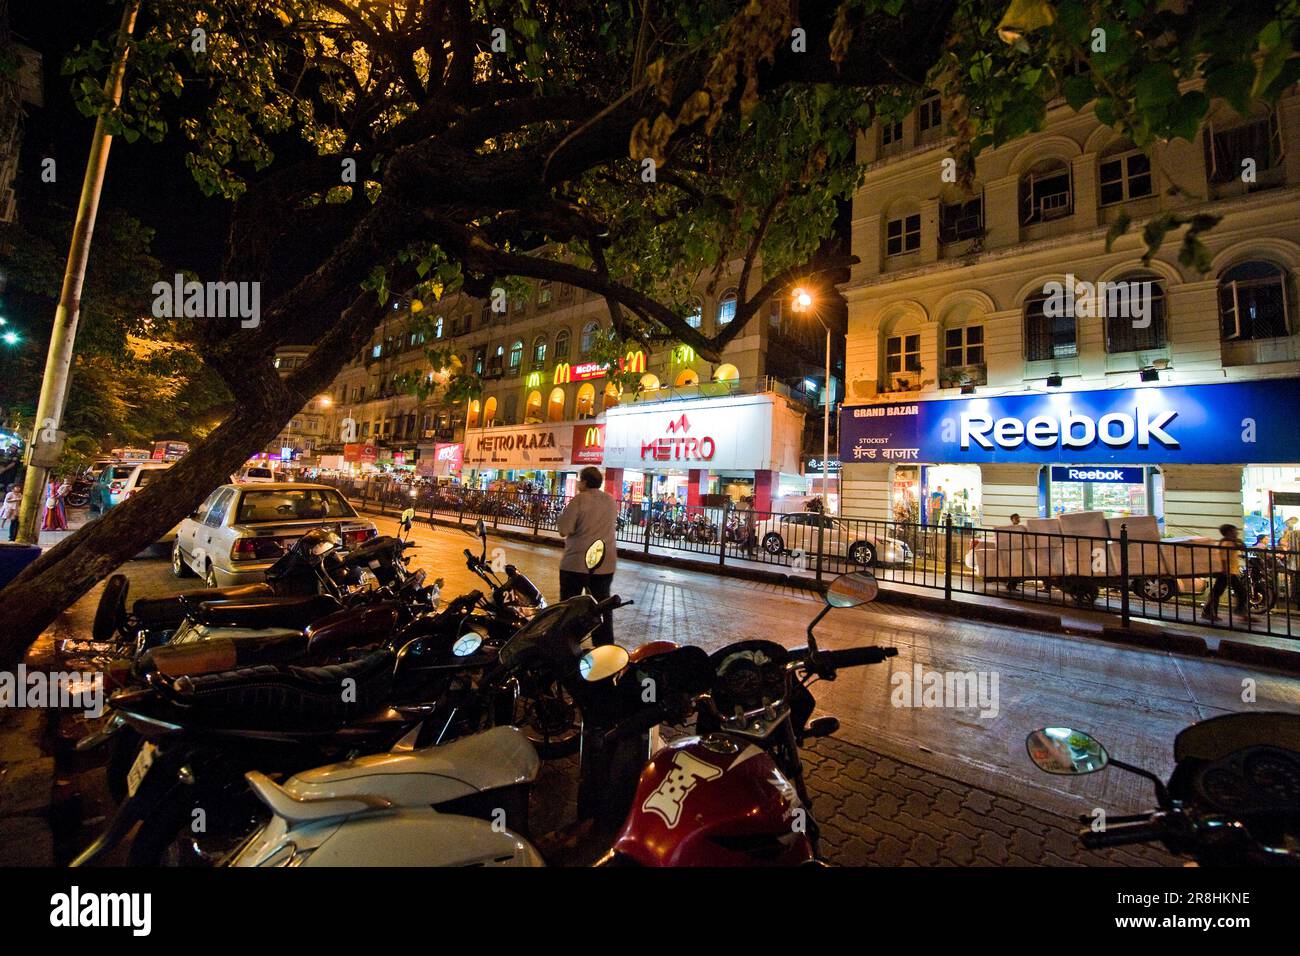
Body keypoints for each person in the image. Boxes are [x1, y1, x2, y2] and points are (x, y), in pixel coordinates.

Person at [556, 465, 620, 645]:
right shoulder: (609, 500)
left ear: (584, 482)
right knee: (601, 607)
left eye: (579, 480)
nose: (578, 483)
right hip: (604, 563)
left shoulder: (579, 500)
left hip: (577, 563)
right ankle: (604, 647)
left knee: (570, 607)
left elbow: (564, 529)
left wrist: (561, 518)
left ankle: (567, 644)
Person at [1202, 523, 1248, 622]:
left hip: (1230, 571)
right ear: (1229, 532)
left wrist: (1239, 541)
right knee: (1240, 591)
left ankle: (1208, 612)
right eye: (1235, 530)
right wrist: (1225, 571)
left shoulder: (1232, 542)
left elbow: (1243, 548)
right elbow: (1223, 558)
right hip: (1227, 572)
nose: (1237, 532)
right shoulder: (1227, 543)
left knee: (1218, 592)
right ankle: (1240, 612)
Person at [1005, 513, 1025, 591]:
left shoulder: (1021, 527)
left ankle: (1013, 586)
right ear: (1012, 519)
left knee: (1017, 569)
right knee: (1013, 569)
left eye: (1018, 518)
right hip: (1013, 551)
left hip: (1018, 551)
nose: (1018, 519)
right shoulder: (1011, 528)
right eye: (1016, 518)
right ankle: (1010, 585)